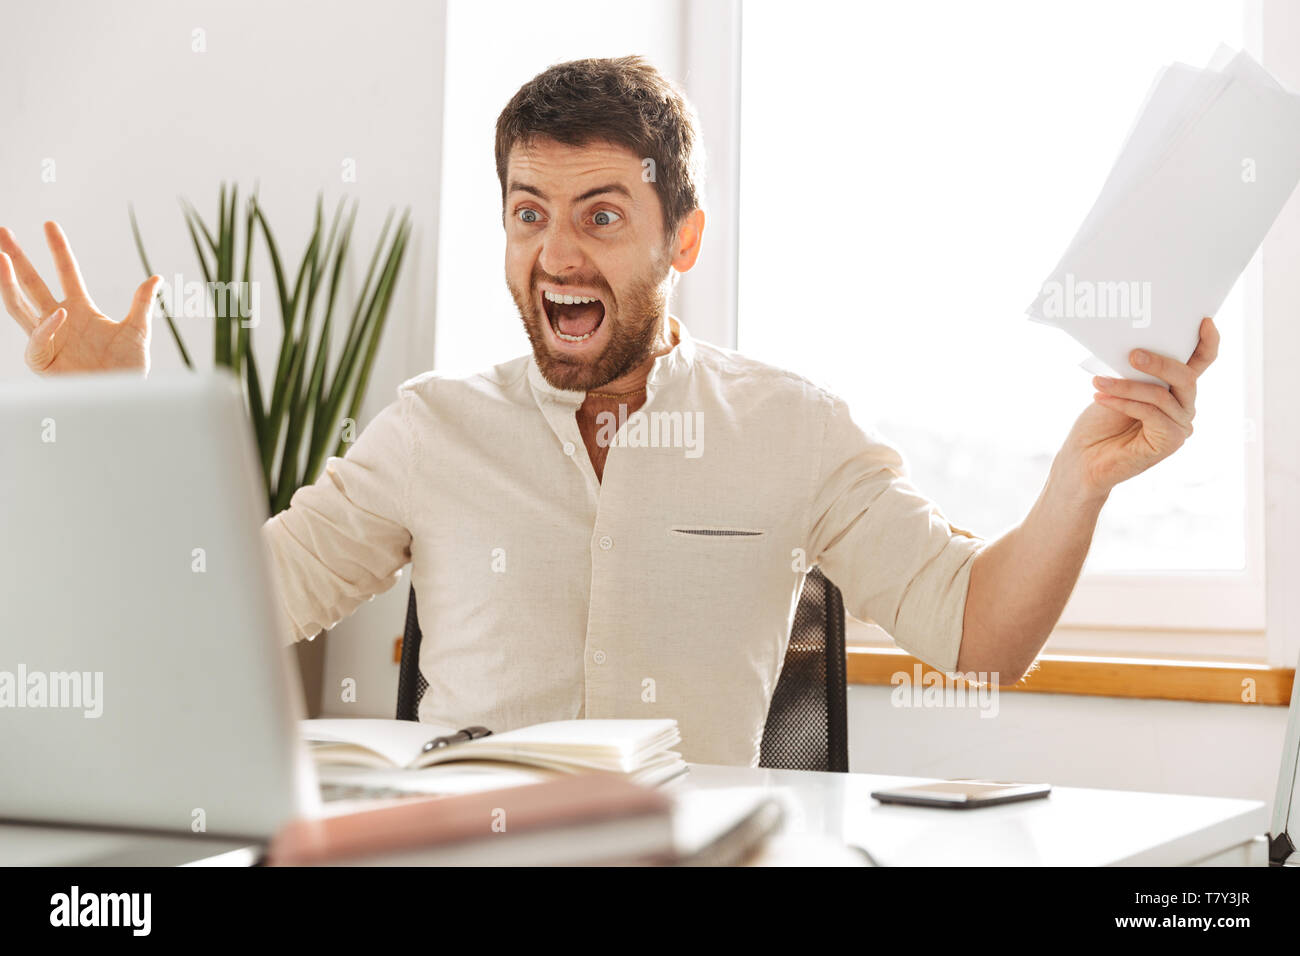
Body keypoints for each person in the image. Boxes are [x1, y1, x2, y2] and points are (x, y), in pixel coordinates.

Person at [0, 56, 1218, 766]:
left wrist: (1078, 481)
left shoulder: (787, 427)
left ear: (681, 237)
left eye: (599, 213)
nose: (555, 250)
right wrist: (122, 429)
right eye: (529, 212)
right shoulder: (428, 431)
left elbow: (977, 639)